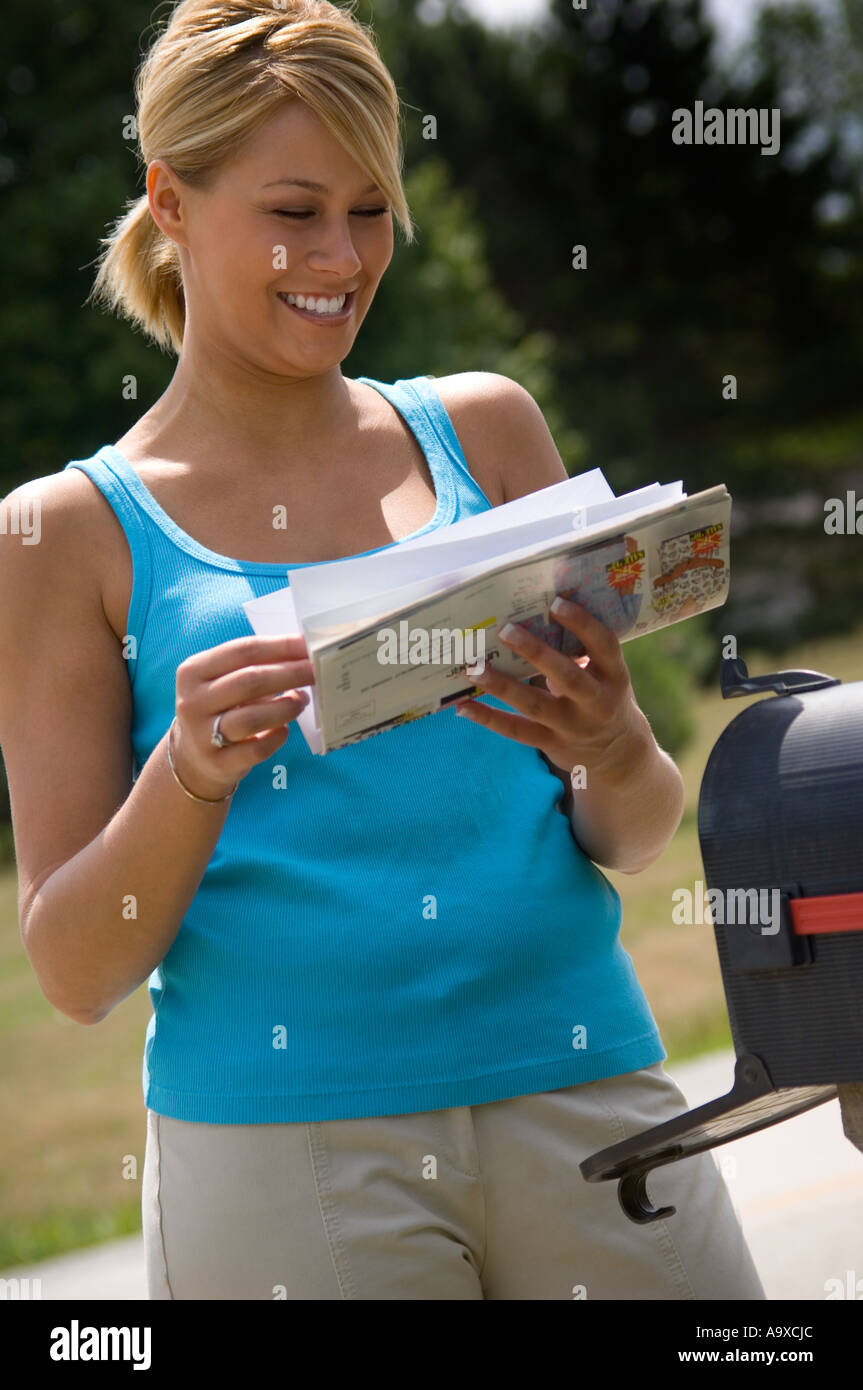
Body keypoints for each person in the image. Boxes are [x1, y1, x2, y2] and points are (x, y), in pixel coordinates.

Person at [0, 0, 765, 1300]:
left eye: (370, 208)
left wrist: (611, 742)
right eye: (294, 211)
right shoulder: (62, 536)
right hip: (287, 1151)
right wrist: (187, 773)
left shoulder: (490, 431)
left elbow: (634, 831)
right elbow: (77, 971)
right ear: (170, 201)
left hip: (588, 1088)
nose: (342, 256)